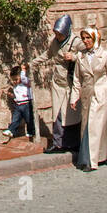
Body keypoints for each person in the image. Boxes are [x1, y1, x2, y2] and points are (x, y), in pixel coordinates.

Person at [69, 26, 107, 171]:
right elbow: (77, 80)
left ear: (95, 38)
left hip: (102, 96)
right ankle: (103, 155)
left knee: (96, 127)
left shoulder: (105, 55)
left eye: (88, 38)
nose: (86, 41)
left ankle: (90, 162)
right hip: (87, 96)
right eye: (84, 38)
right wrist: (74, 97)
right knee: (88, 127)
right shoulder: (80, 56)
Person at [34, 15, 80, 153]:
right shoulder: (55, 42)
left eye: (60, 34)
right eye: (56, 34)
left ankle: (73, 143)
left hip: (71, 83)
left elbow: (89, 56)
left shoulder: (76, 42)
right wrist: (32, 63)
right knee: (57, 114)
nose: (58, 36)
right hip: (58, 83)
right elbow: (47, 54)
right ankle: (58, 143)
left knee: (71, 115)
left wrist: (74, 57)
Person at [0, 63, 34, 142]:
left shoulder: (26, 83)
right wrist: (12, 95)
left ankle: (31, 132)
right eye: (13, 80)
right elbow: (17, 96)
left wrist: (23, 70)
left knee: (29, 119)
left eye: (16, 79)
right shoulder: (15, 86)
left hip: (26, 104)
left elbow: (23, 78)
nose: (14, 82)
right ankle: (11, 130)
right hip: (18, 105)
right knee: (15, 119)